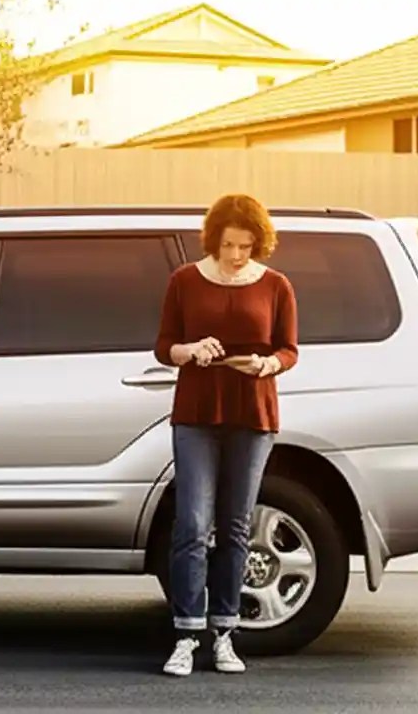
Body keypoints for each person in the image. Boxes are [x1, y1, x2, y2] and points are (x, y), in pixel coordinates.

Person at [153, 193, 298, 677]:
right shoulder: (185, 281)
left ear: (259, 244)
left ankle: (224, 635)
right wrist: (189, 350)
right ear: (214, 239)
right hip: (196, 413)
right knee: (192, 525)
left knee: (236, 526)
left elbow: (289, 350)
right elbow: (162, 348)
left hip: (253, 414)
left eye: (247, 246)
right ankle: (186, 634)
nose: (237, 256)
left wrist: (266, 363)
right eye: (230, 245)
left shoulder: (276, 285)